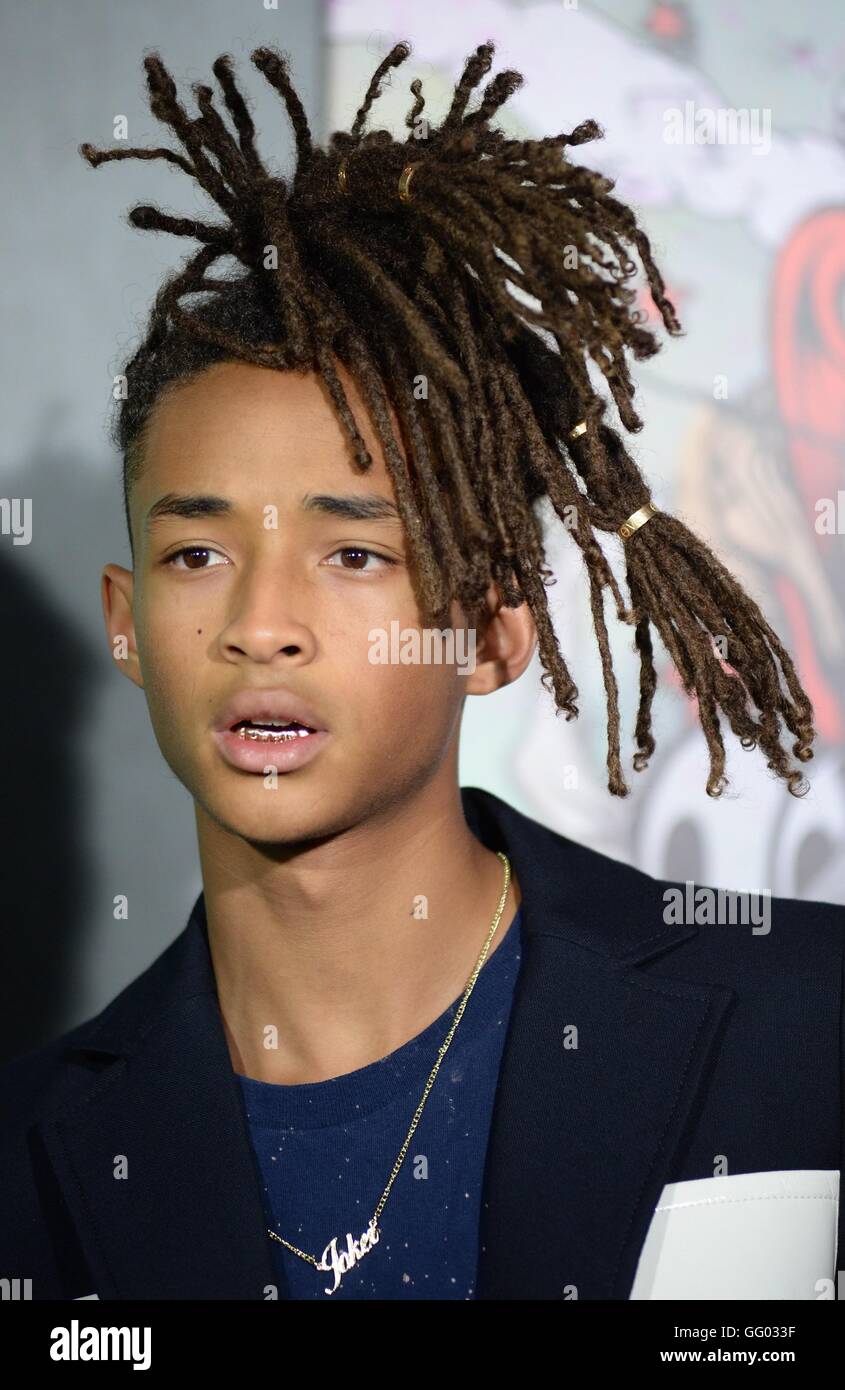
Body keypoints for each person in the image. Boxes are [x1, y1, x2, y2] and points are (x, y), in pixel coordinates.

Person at [1, 40, 842, 1302]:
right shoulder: (27, 1157)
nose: (261, 624)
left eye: (351, 552)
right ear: (126, 625)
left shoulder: (804, 1020)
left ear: (496, 630)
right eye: (194, 551)